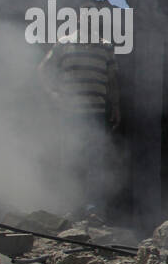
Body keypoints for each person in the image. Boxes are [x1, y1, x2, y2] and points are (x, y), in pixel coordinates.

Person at [38, 32, 121, 218]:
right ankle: (70, 208)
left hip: (97, 113)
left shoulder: (106, 46)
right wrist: (52, 93)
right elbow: (44, 68)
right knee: (71, 160)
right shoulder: (64, 43)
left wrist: (115, 106)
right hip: (71, 114)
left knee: (95, 162)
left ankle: (93, 210)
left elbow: (113, 79)